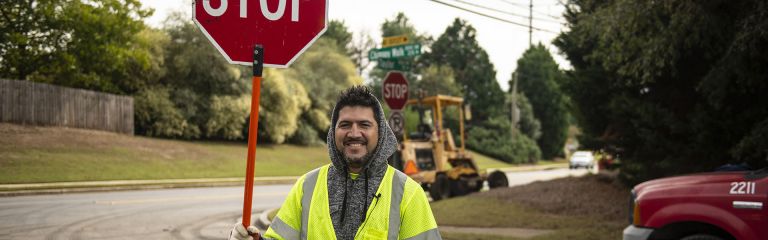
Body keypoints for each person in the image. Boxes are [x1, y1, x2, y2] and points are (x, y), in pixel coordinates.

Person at [230, 86, 441, 240]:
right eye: (345, 124)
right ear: (334, 131)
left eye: (364, 124)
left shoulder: (408, 194)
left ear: (381, 132)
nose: (354, 133)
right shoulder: (307, 186)